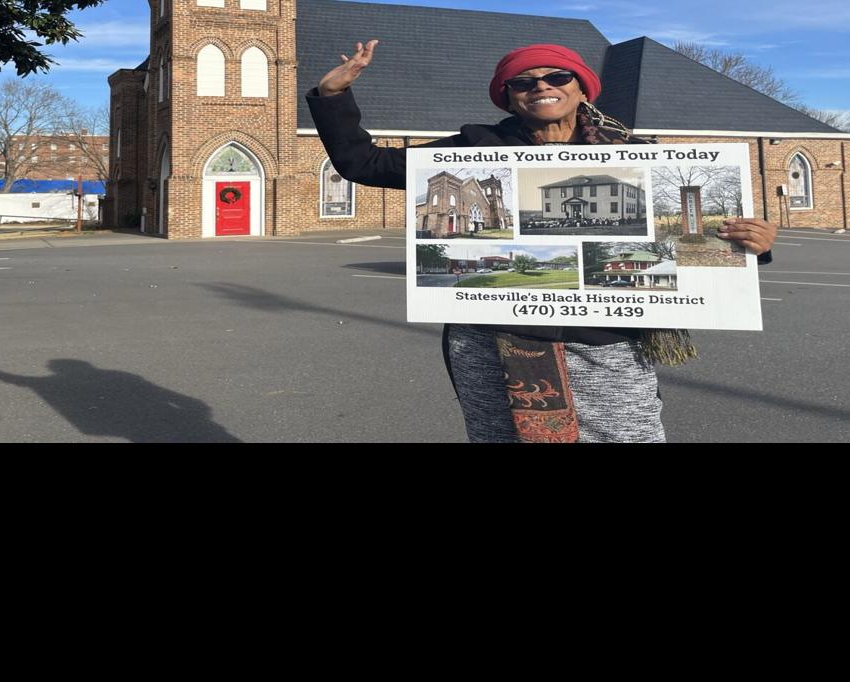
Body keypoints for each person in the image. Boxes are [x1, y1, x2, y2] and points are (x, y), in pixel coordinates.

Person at [309, 40, 777, 443]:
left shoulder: (638, 156)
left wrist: (752, 244)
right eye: (523, 82)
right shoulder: (472, 148)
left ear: (581, 88)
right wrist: (334, 93)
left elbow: (686, 242)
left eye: (557, 76)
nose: (541, 87)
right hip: (492, 336)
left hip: (606, 338)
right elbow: (363, 164)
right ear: (507, 97)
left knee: (626, 433)